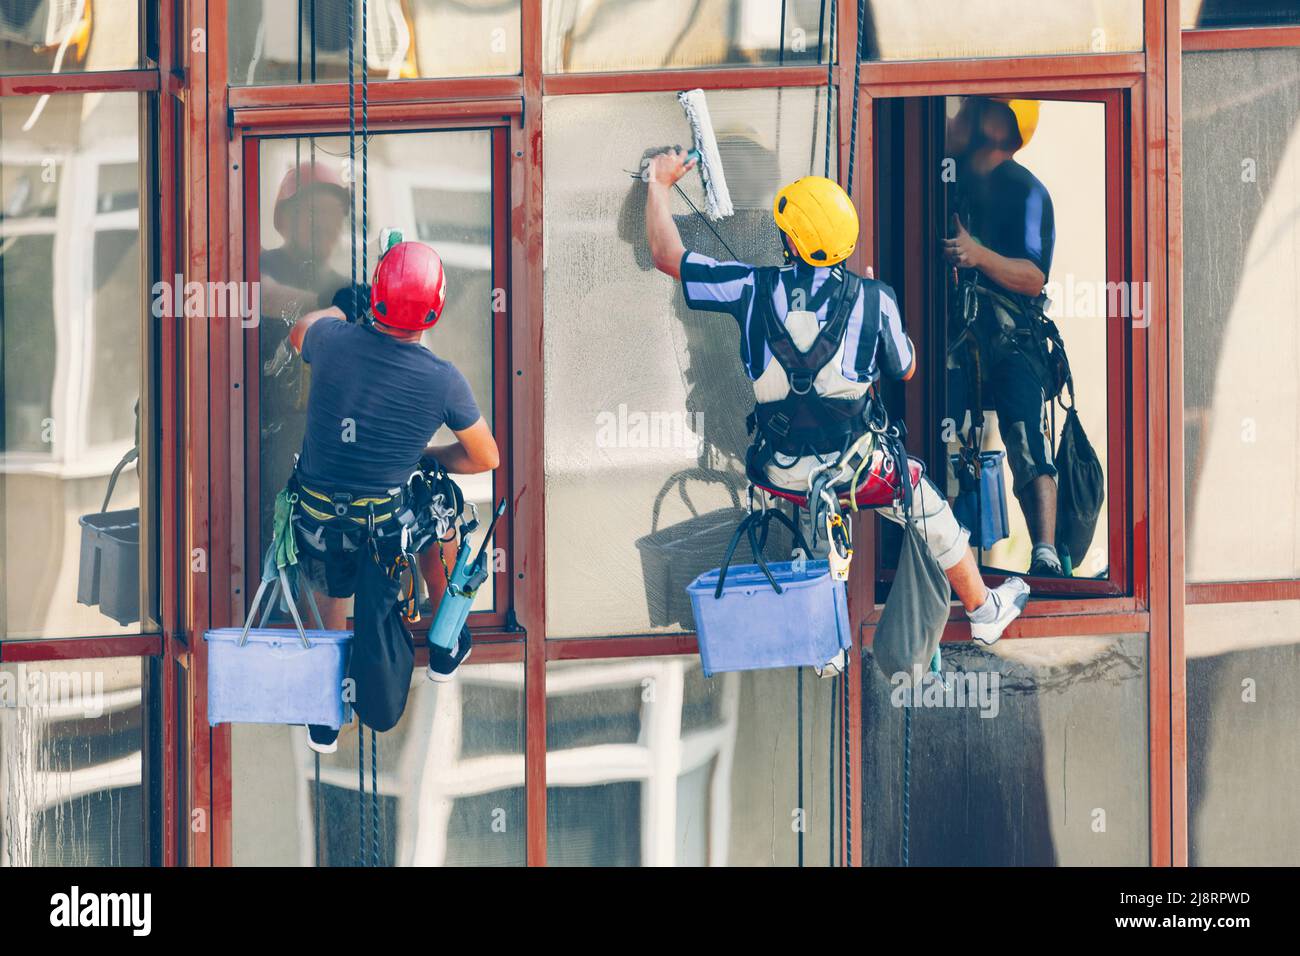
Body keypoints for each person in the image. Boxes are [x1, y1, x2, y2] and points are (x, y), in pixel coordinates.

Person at [642, 149, 1029, 650]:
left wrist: (659, 184)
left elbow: (666, 256)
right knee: (925, 503)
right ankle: (982, 609)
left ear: (789, 242)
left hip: (779, 471)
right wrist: (868, 307)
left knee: (808, 508)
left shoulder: (750, 287)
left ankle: (820, 638)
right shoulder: (875, 298)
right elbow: (907, 368)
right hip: (858, 471)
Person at [286, 239, 499, 752]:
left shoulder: (333, 340)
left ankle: (324, 715)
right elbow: (484, 457)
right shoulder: (443, 381)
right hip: (384, 538)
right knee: (439, 500)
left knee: (328, 578)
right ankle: (444, 638)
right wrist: (429, 456)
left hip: (317, 522)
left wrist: (343, 306)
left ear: (376, 298)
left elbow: (299, 333)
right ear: (435, 309)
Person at [944, 97, 1063, 577]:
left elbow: (1034, 276)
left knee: (1025, 434)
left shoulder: (1025, 191)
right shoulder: (949, 177)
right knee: (944, 431)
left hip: (1012, 336)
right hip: (957, 331)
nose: (968, 112)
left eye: (982, 107)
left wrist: (977, 255)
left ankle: (1046, 552)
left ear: (1005, 128)